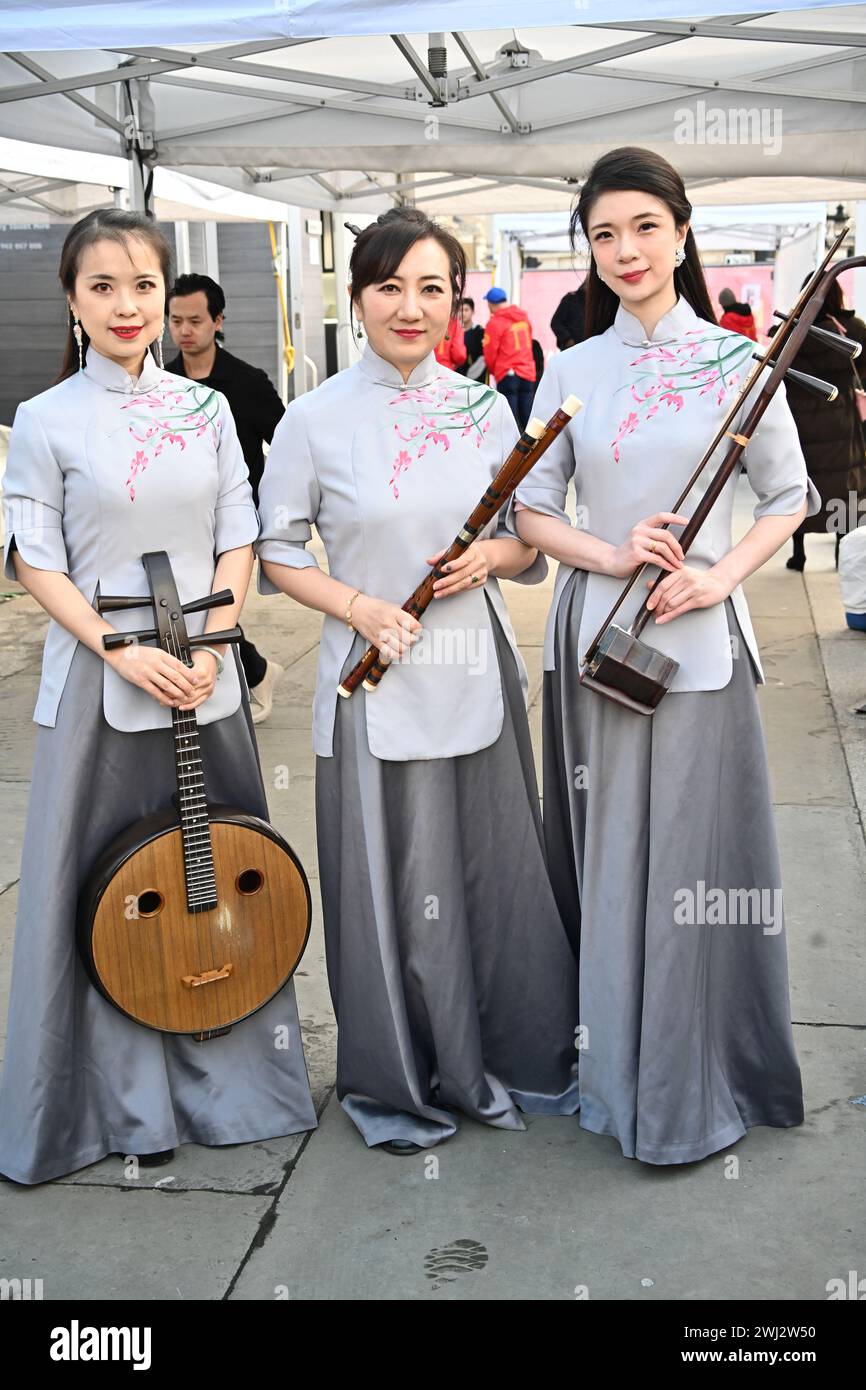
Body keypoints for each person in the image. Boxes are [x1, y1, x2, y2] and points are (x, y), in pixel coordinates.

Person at [508, 146, 820, 1166]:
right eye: (603, 234)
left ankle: (696, 1075)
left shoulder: (738, 363)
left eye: (643, 226)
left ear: (680, 233)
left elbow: (788, 499)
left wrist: (718, 576)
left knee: (690, 859)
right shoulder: (571, 367)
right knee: (610, 855)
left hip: (693, 645)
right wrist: (608, 551)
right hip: (599, 639)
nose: (625, 249)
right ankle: (612, 1068)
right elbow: (529, 504)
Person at [0, 209, 316, 1185]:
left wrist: (215, 645)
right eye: (103, 286)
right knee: (92, 887)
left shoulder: (210, 409)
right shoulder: (44, 420)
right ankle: (97, 1100)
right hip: (101, 688)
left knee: (219, 876)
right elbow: (33, 560)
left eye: (142, 284)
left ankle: (231, 1085)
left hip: (204, 676)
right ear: (73, 301)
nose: (127, 305)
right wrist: (116, 649)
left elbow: (240, 528)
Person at [256, 207, 580, 1156]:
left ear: (456, 301)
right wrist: (358, 608)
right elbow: (278, 551)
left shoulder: (485, 408)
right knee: (388, 882)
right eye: (390, 286)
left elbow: (530, 541)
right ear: (357, 298)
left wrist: (501, 559)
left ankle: (499, 1054)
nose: (410, 306)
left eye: (431, 287)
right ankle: (399, 1075)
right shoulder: (311, 417)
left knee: (484, 875)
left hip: (472, 672)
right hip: (370, 685)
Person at [166, 273, 285, 722]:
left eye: (195, 320)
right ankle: (254, 673)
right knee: (191, 608)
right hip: (180, 519)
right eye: (175, 321)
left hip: (236, 521)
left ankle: (241, 677)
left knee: (212, 605)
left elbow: (288, 448)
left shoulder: (248, 382)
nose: (184, 330)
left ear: (218, 321)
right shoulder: (162, 382)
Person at [767, 277, 866, 571]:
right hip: (842, 423)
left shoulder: (787, 333)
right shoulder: (854, 331)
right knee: (846, 487)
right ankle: (841, 550)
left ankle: (798, 554)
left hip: (799, 423)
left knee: (802, 484)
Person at [482, 287, 536, 431]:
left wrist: (495, 370)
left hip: (507, 373)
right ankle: (536, 451)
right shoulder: (523, 317)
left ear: (491, 304)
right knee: (529, 420)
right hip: (527, 372)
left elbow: (490, 352)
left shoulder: (495, 323)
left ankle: (516, 453)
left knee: (509, 422)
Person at [551, 281, 587, 350]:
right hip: (571, 349)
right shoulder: (570, 299)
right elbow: (556, 323)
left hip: (589, 349)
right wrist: (567, 339)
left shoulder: (597, 304)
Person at [458, 296, 486, 379]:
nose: (463, 313)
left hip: (476, 378)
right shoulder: (455, 333)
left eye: (466, 310)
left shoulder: (479, 331)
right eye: (460, 310)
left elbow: (483, 357)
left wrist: (470, 376)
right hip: (458, 378)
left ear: (473, 312)